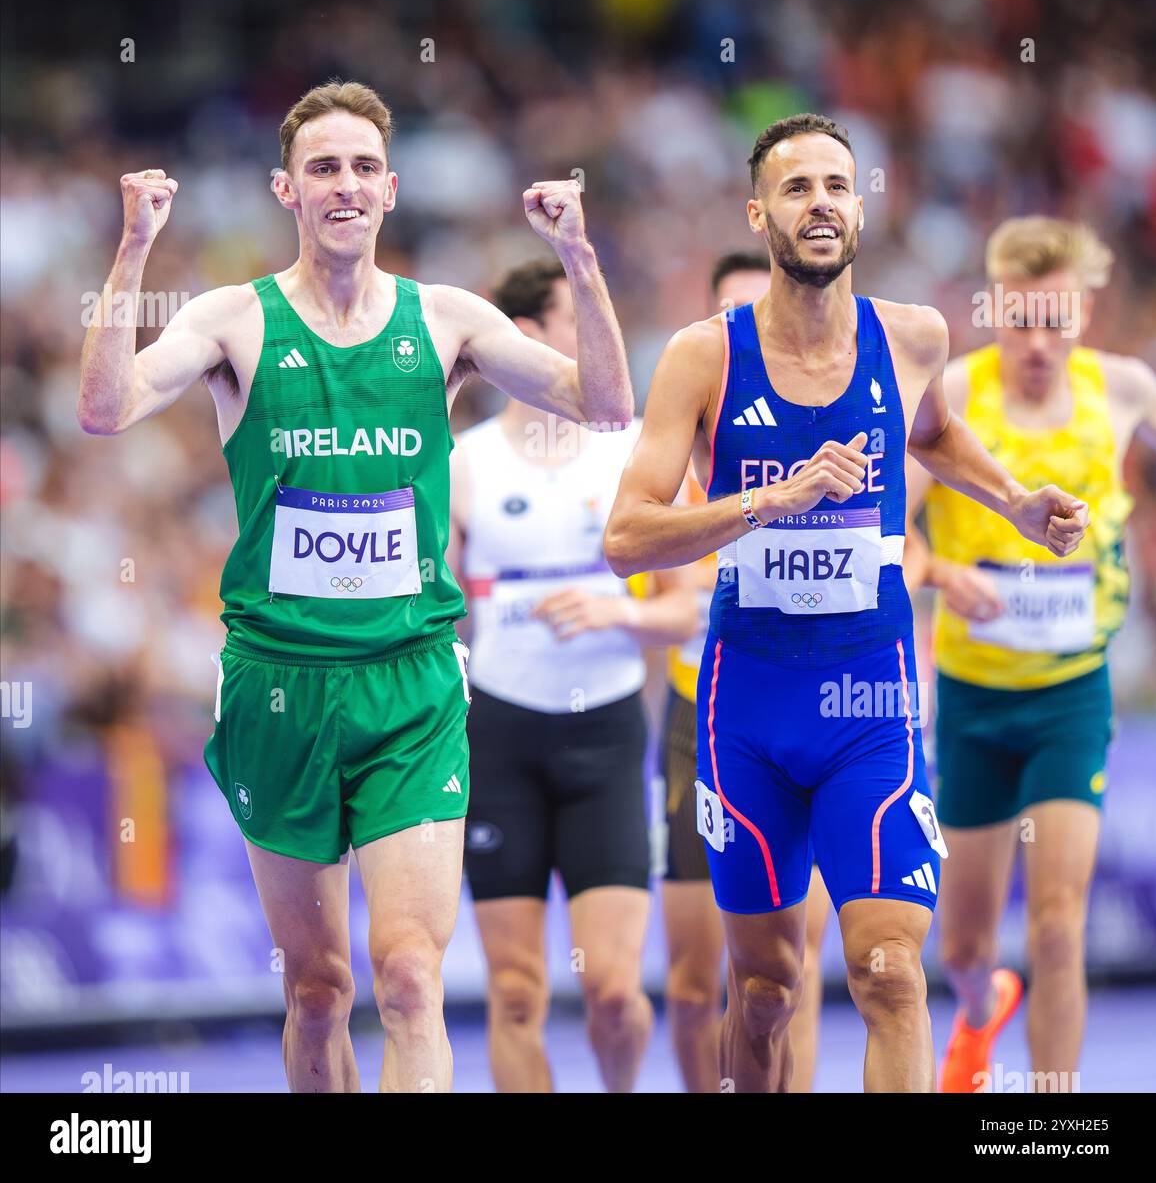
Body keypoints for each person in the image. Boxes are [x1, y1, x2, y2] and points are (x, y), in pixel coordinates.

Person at [76, 80, 633, 1093]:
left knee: (411, 975)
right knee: (320, 988)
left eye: (364, 167)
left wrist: (579, 260)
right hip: (278, 687)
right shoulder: (234, 321)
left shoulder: (447, 319)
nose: (345, 185)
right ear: (286, 189)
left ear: (390, 189)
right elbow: (104, 409)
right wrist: (133, 247)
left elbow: (603, 403)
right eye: (324, 168)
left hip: (410, 683)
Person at [603, 113, 1089, 1093]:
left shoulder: (911, 336)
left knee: (889, 973)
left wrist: (1015, 502)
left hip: (871, 698)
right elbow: (624, 537)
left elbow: (936, 435)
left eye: (836, 185)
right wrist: (768, 500)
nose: (820, 203)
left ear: (860, 206)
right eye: (796, 188)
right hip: (745, 708)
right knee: (767, 987)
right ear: (758, 212)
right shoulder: (704, 356)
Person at [904, 217, 1156, 1093]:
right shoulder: (949, 402)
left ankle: (1052, 1117)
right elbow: (892, 541)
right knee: (967, 946)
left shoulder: (1123, 391)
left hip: (1070, 695)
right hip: (971, 695)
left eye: (1058, 322)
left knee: (1058, 925)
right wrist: (940, 572)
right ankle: (978, 1016)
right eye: (1021, 322)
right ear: (993, 311)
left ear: (1082, 314)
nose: (1040, 344)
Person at [447, 256, 698, 1092]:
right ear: (527, 340)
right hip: (501, 737)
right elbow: (439, 611)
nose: (598, 347)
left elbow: (690, 609)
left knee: (614, 990)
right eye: (575, 325)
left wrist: (618, 612)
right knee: (516, 991)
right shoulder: (465, 464)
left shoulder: (628, 454)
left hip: (606, 735)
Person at [655, 251, 832, 1093]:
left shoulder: (821, 442)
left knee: (798, 965)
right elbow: (630, 567)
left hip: (818, 705)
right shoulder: (671, 455)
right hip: (704, 717)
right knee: (697, 982)